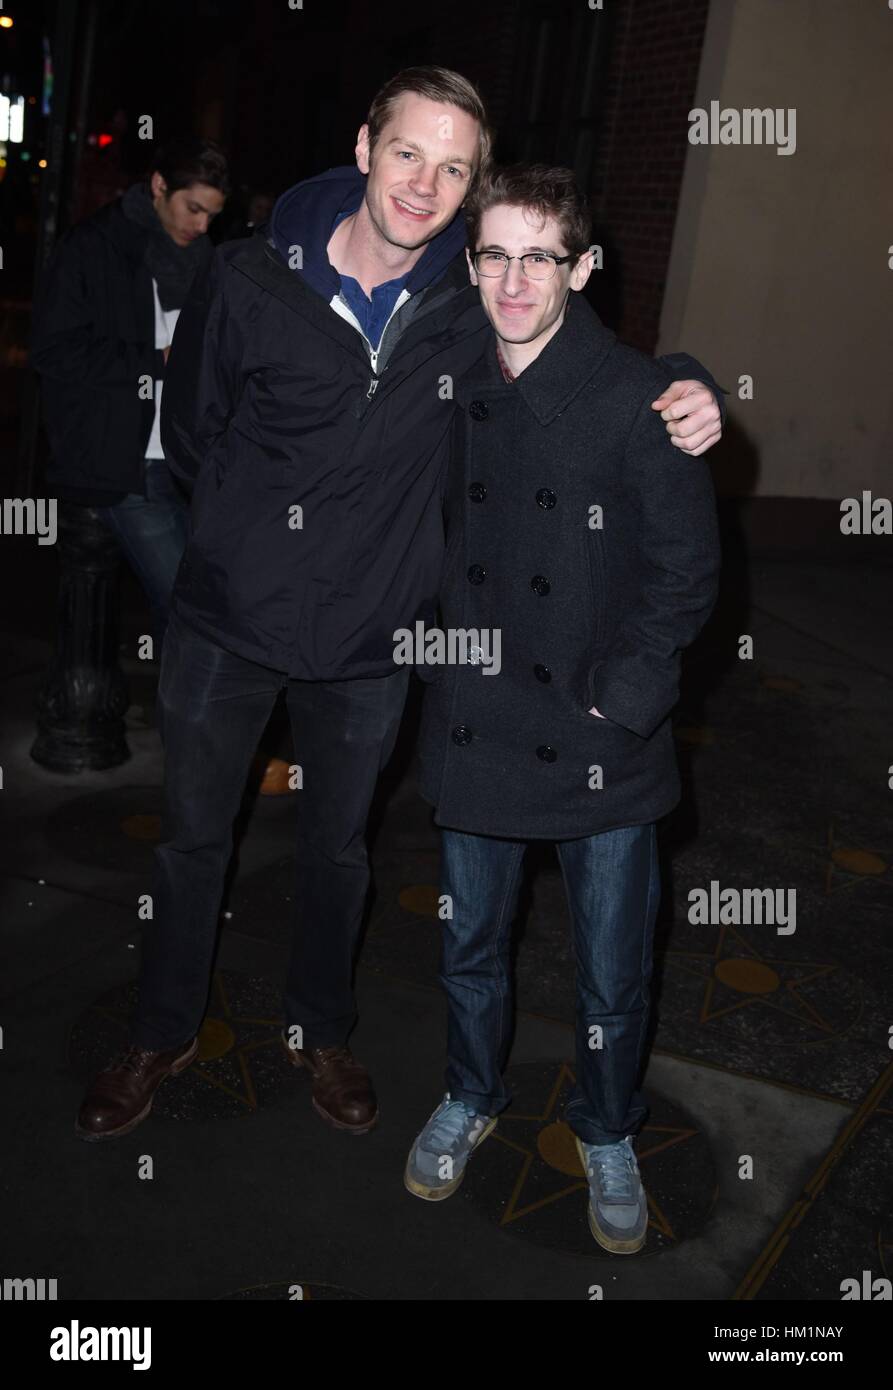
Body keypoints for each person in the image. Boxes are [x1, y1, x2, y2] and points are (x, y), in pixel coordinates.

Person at [74, 68, 723, 1144]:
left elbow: (578, 339)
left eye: (453, 167)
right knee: (190, 841)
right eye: (409, 152)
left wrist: (690, 383)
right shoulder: (247, 280)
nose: (425, 183)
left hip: (374, 637)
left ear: (470, 192)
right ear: (366, 146)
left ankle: (320, 1029)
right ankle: (161, 1028)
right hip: (229, 622)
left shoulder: (468, 304)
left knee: (338, 849)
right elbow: (190, 436)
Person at [406, 164, 722, 1255]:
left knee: (610, 966)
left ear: (582, 269)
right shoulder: (449, 371)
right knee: (469, 947)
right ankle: (470, 1092)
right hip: (477, 720)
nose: (512, 279)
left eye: (539, 255)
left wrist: (622, 699)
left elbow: (686, 571)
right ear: (471, 262)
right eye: (493, 252)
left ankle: (603, 1127)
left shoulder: (641, 400)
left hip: (600, 740)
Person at [31, 137, 229, 649]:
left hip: (184, 459)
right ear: (159, 187)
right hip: (121, 462)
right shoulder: (93, 247)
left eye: (212, 214)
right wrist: (156, 362)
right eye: (193, 209)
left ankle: (181, 719)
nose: (202, 225)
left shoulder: (204, 259)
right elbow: (54, 351)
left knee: (201, 605)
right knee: (194, 609)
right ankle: (187, 724)